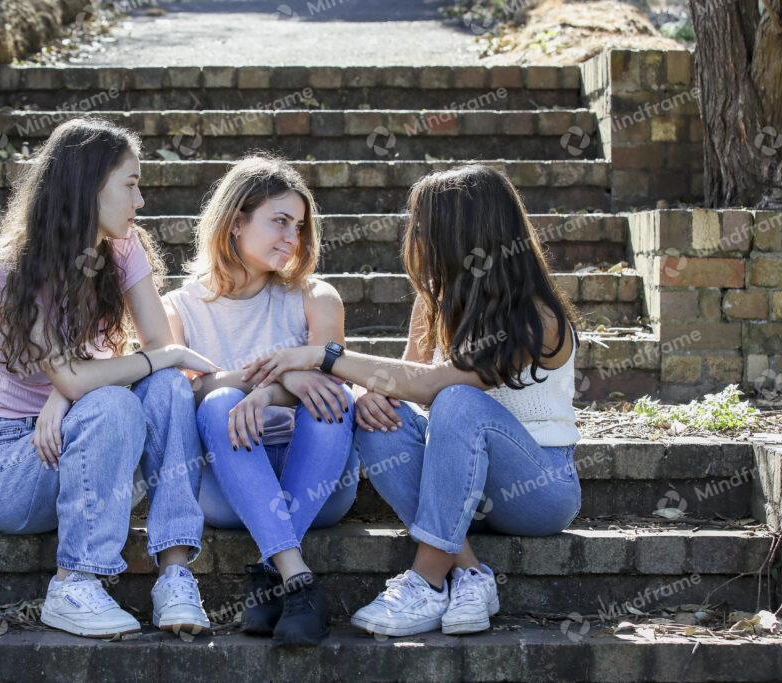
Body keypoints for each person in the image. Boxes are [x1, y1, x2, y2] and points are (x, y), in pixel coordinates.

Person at [241, 164, 582, 637]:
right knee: (378, 418)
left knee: (457, 400)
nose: (414, 236)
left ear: (463, 230)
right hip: (460, 488)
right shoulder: (436, 300)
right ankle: (471, 574)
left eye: (423, 225)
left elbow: (433, 385)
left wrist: (326, 356)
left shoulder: (536, 316)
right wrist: (366, 394)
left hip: (537, 489)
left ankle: (426, 579)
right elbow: (404, 381)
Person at [0, 118, 220, 638]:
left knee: (164, 387)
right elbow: (109, 370)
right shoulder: (11, 267)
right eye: (130, 184)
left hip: (94, 441)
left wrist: (69, 390)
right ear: (87, 183)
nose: (139, 200)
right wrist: (72, 387)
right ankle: (75, 581)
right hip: (14, 465)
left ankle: (174, 575)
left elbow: (155, 350)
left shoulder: (123, 248)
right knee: (120, 400)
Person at [163, 156, 357, 645]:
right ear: (235, 222)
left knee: (331, 400)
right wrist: (271, 381)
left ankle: (275, 574)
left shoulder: (317, 297)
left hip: (317, 482)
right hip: (225, 486)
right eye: (279, 221)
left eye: (299, 226)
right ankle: (295, 577)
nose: (293, 238)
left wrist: (275, 388)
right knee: (218, 403)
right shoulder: (179, 309)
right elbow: (182, 395)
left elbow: (333, 385)